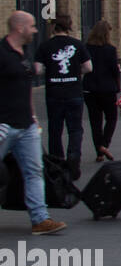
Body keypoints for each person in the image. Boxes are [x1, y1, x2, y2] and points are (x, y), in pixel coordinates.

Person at [0, 11, 67, 235]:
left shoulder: (24, 53)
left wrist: (33, 116)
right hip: (4, 125)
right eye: (32, 26)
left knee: (34, 171)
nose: (36, 30)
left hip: (26, 125)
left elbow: (26, 86)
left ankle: (40, 219)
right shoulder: (2, 53)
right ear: (19, 28)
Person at [35, 13, 92, 180]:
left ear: (54, 27)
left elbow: (38, 69)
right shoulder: (77, 45)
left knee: (55, 130)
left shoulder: (45, 46)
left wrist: (50, 71)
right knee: (75, 129)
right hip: (74, 93)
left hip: (54, 93)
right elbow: (88, 67)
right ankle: (73, 162)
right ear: (69, 26)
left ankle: (57, 165)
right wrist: (76, 72)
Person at [83, 20, 121, 163]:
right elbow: (114, 70)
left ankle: (99, 151)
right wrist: (117, 85)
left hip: (90, 89)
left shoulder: (86, 48)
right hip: (107, 89)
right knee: (111, 118)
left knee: (95, 122)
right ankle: (104, 144)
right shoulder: (110, 49)